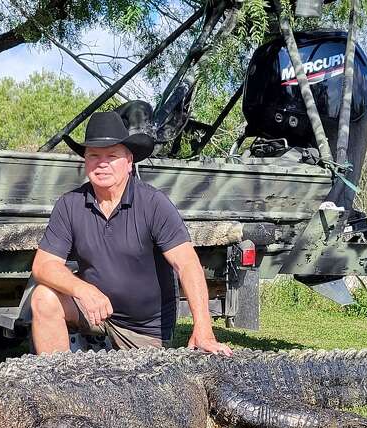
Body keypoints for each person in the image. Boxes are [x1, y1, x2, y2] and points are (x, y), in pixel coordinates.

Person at [30, 110, 232, 356]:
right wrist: (82, 289)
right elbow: (43, 266)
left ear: (128, 162)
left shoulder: (154, 203)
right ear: (85, 161)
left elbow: (188, 264)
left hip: (142, 329)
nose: (102, 163)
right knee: (43, 297)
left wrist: (203, 328)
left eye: (111, 155)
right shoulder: (69, 204)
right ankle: (58, 384)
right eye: (94, 155)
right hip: (93, 311)